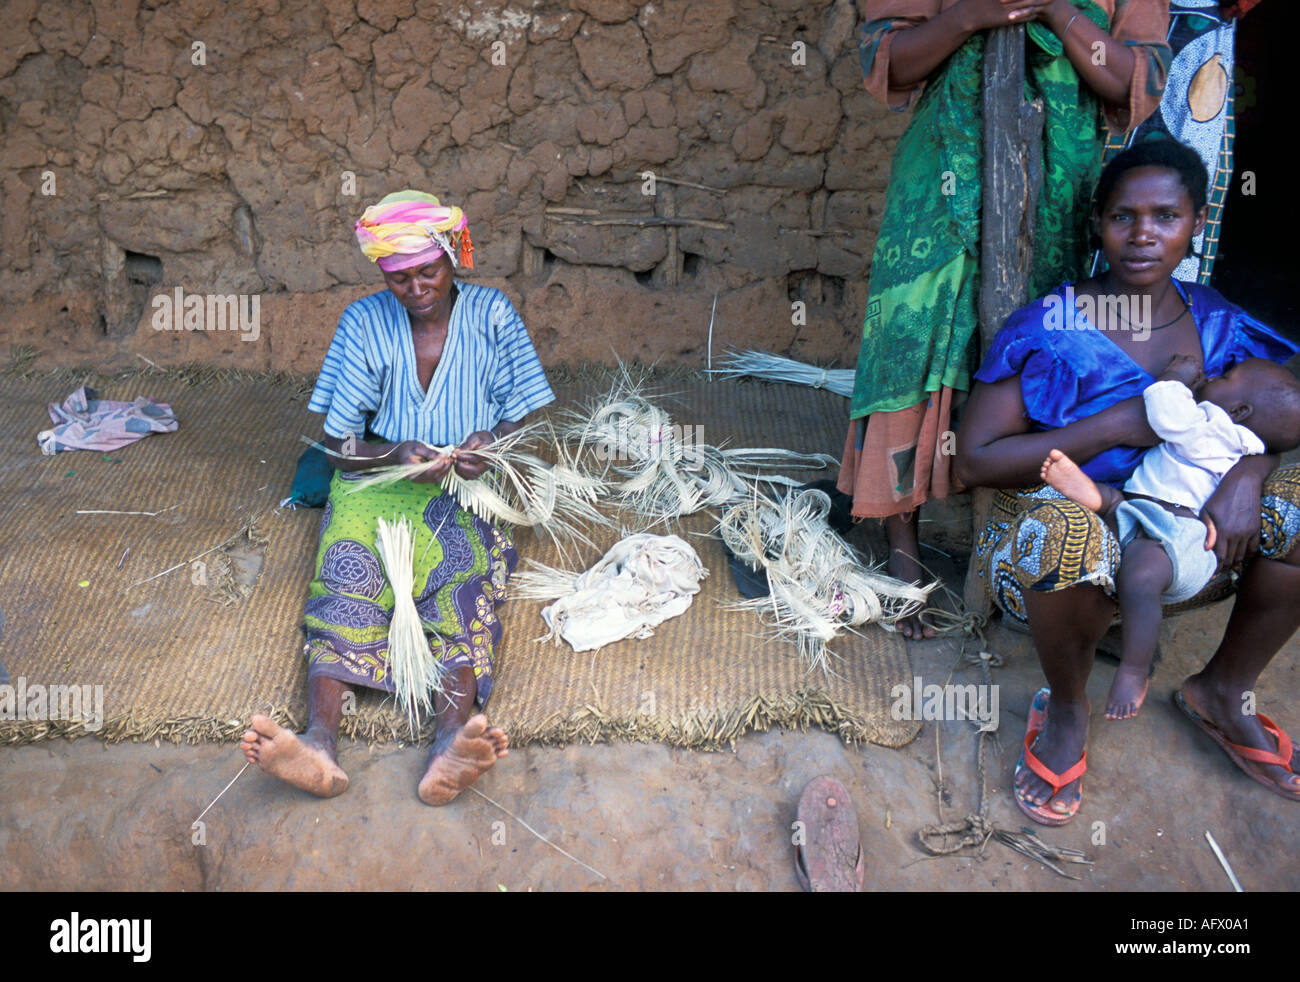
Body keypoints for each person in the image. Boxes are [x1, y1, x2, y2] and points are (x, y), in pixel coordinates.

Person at [955, 139, 1300, 825]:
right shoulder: (1052, 326)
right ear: (1098, 223)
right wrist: (1114, 424)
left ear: (1197, 223)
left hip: (1191, 540)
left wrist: (1247, 473)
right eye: (1124, 217)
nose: (1144, 234)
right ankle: (1068, 712)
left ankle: (1223, 692)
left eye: (1166, 216)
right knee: (1063, 533)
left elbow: (1278, 414)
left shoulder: (1219, 323)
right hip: (1058, 533)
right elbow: (974, 460)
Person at [840, 0, 1171, 638]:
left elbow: (1134, 81)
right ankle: (902, 536)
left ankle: (1016, 535)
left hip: (1057, 176)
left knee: (1033, 347)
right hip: (940, 168)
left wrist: (1053, 11)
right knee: (913, 335)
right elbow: (888, 59)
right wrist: (970, 16)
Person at [240, 191, 555, 804]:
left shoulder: (493, 316)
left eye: (427, 271)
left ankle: (448, 744)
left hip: (469, 486)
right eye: (398, 278)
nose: (415, 288)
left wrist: (489, 445)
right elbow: (338, 447)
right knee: (345, 577)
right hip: (376, 482)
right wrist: (392, 455)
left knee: (461, 585)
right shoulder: (363, 323)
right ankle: (319, 744)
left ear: (451, 257)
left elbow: (526, 423)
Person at [1041, 354, 1300, 719]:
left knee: (1141, 575)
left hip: (1179, 536)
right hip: (1145, 511)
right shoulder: (1248, 447)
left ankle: (1134, 668)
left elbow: (1164, 410)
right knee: (1119, 515)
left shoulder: (1213, 430)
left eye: (1225, 377)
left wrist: (1174, 377)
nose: (1212, 377)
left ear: (1239, 411)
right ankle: (1100, 500)